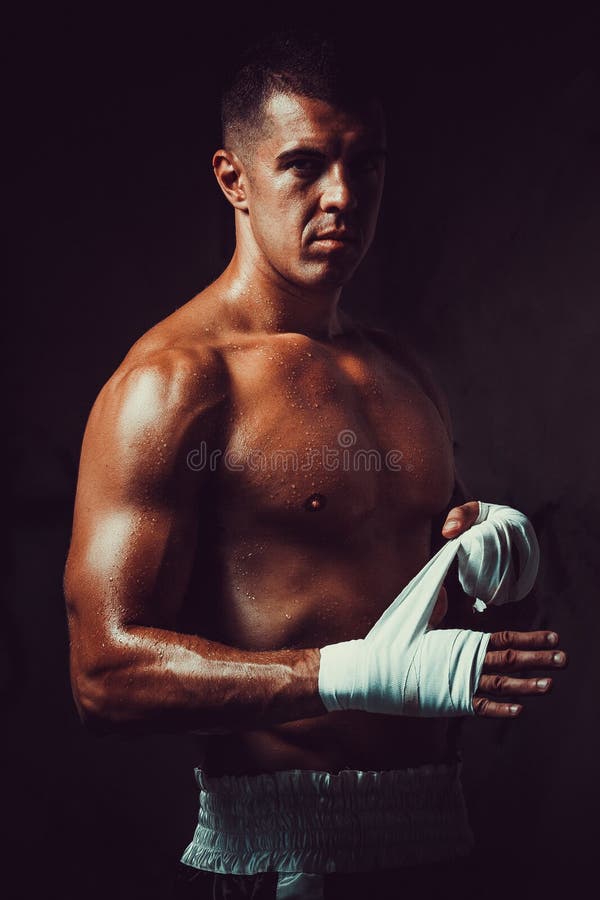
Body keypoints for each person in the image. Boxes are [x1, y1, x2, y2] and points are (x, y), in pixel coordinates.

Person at [63, 33, 567, 900]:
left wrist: (495, 562)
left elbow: (423, 639)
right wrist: (337, 675)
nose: (343, 196)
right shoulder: (175, 385)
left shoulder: (401, 369)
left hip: (444, 837)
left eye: (365, 166)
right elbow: (103, 677)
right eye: (304, 166)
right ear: (234, 179)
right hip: (289, 854)